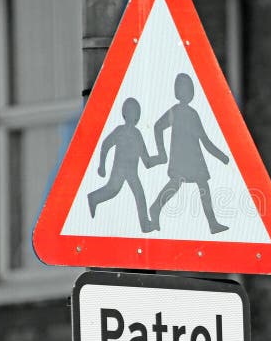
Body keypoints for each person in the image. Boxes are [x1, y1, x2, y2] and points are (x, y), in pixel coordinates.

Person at [149, 73, 230, 234]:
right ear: (177, 91)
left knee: (202, 185)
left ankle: (212, 224)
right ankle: (155, 208)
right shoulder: (175, 112)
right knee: (176, 184)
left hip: (194, 159)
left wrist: (222, 157)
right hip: (181, 159)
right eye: (182, 88)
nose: (185, 91)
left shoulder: (193, 113)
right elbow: (158, 127)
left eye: (188, 88)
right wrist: (162, 153)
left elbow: (205, 140)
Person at [88, 98, 162, 232]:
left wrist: (160, 159)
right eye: (130, 111)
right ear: (124, 113)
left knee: (139, 195)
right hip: (119, 170)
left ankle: (145, 225)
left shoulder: (137, 134)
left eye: (135, 112)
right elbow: (106, 145)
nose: (133, 115)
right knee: (113, 190)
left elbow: (146, 161)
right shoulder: (120, 131)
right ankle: (93, 198)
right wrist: (102, 166)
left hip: (132, 172)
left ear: (138, 116)